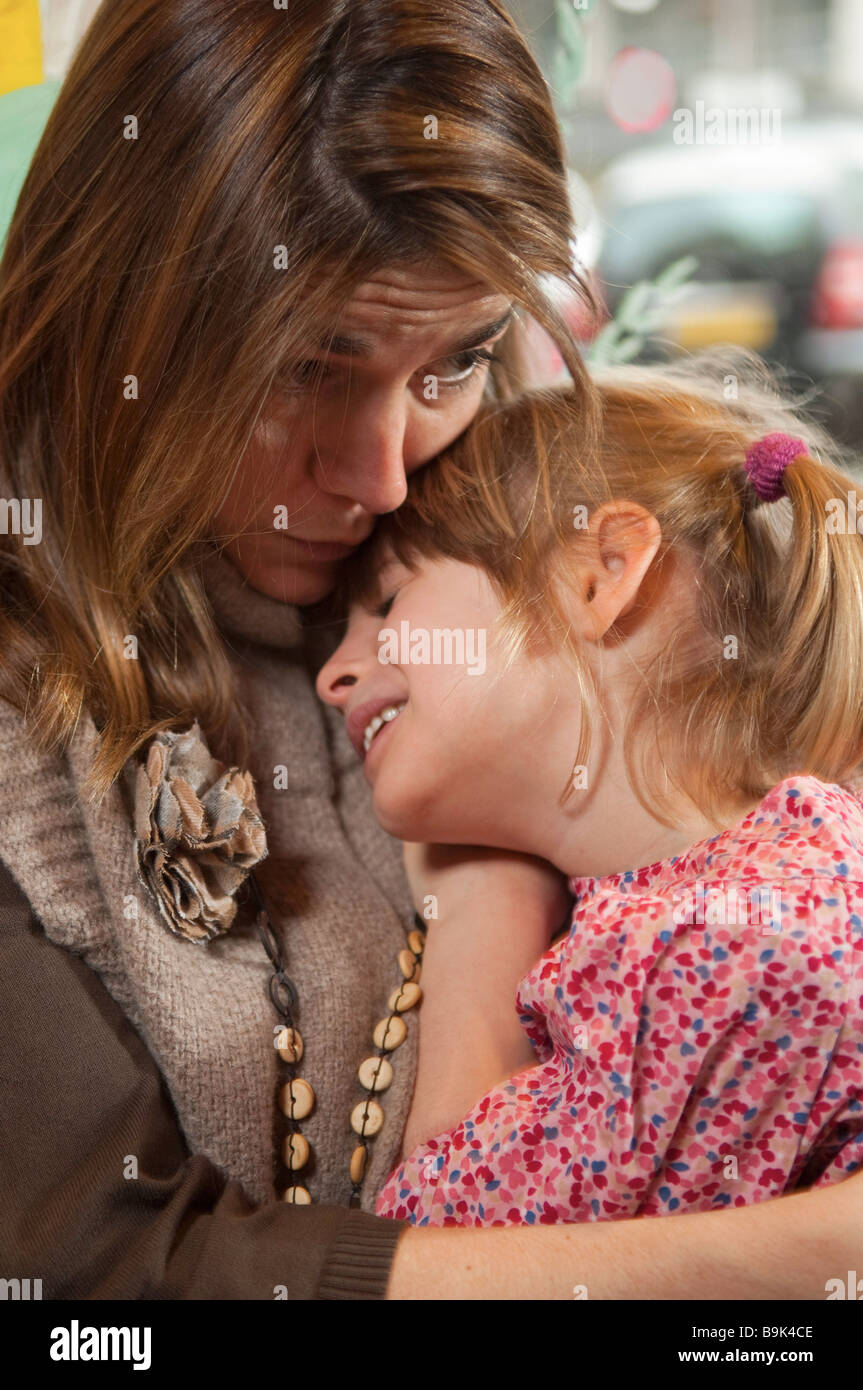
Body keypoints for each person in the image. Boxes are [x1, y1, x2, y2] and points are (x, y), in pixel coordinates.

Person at [0, 0, 859, 1301]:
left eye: (451, 361)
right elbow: (96, 1285)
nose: (383, 473)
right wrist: (805, 1258)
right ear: (124, 306)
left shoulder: (531, 554)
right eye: (305, 367)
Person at [315, 356, 863, 1233]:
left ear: (600, 573)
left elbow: (444, 1247)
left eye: (387, 601)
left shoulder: (727, 949)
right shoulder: (757, 883)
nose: (334, 675)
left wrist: (466, 896)